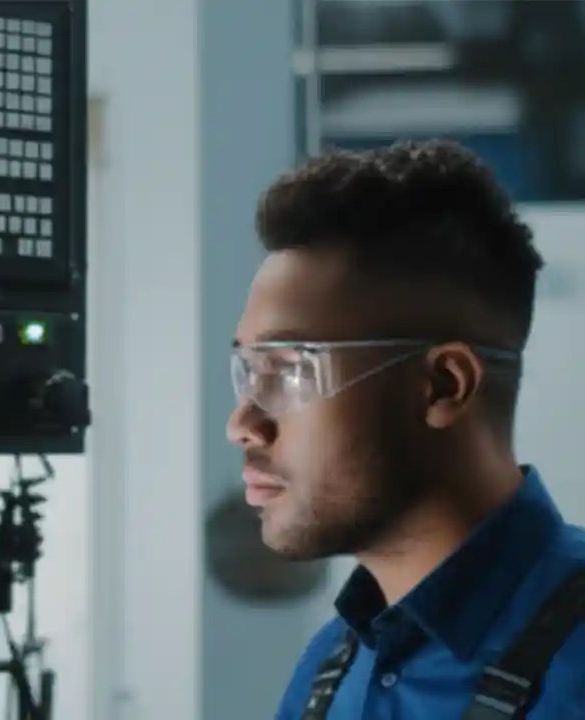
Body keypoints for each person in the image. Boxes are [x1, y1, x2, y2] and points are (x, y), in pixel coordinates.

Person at [226, 140, 585, 718]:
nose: (242, 424)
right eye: (247, 372)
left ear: (443, 386)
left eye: (289, 369)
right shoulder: (327, 674)